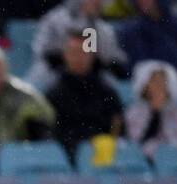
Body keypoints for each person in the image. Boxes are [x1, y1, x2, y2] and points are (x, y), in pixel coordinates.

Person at [46, 29, 125, 158]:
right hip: (68, 159)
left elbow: (118, 128)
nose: (79, 57)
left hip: (105, 159)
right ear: (65, 55)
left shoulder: (108, 93)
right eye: (74, 52)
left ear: (92, 56)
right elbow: (51, 134)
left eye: (84, 52)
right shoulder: (53, 94)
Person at [28, 0, 130, 91]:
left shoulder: (103, 28)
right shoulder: (55, 19)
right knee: (41, 72)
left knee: (109, 80)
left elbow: (114, 58)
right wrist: (69, 57)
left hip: (91, 75)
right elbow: (41, 51)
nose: (96, 3)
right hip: (56, 71)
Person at [124, 59, 177, 159]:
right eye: (154, 81)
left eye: (163, 81)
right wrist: (156, 113)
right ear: (145, 86)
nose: (159, 85)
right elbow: (136, 146)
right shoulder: (134, 113)